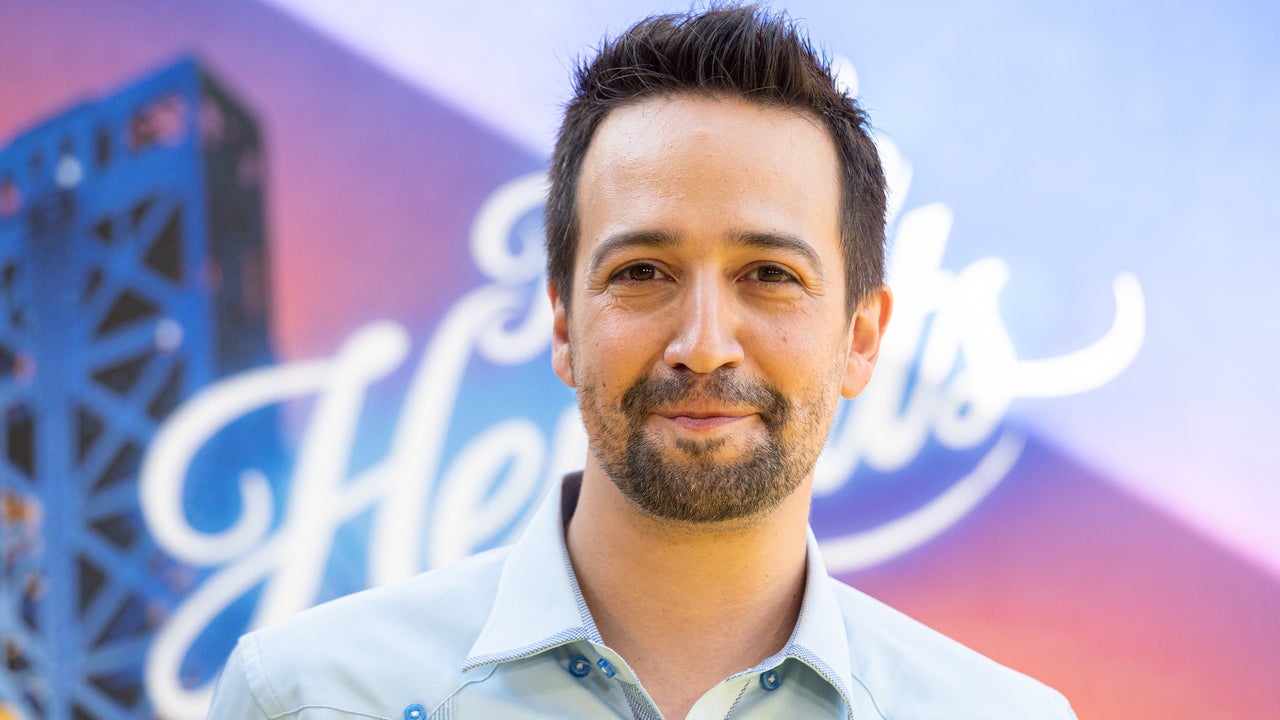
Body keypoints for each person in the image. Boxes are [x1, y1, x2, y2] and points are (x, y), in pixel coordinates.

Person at [207, 5, 1076, 719]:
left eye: (770, 275)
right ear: (562, 323)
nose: (703, 344)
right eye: (642, 273)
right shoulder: (305, 696)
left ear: (861, 337)